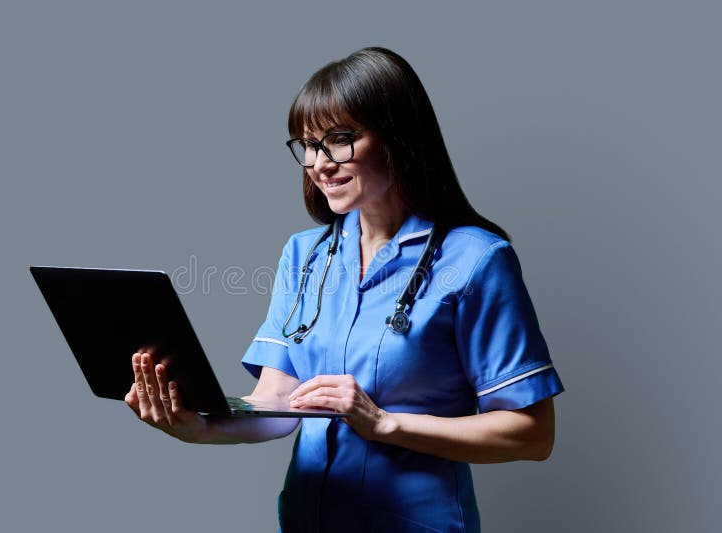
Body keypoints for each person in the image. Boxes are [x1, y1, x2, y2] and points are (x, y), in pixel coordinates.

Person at [125, 47, 564, 533]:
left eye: (340, 140)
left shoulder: (476, 260)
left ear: (398, 137)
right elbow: (278, 403)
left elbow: (532, 434)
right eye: (309, 145)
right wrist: (198, 426)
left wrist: (383, 423)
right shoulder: (304, 255)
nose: (319, 163)